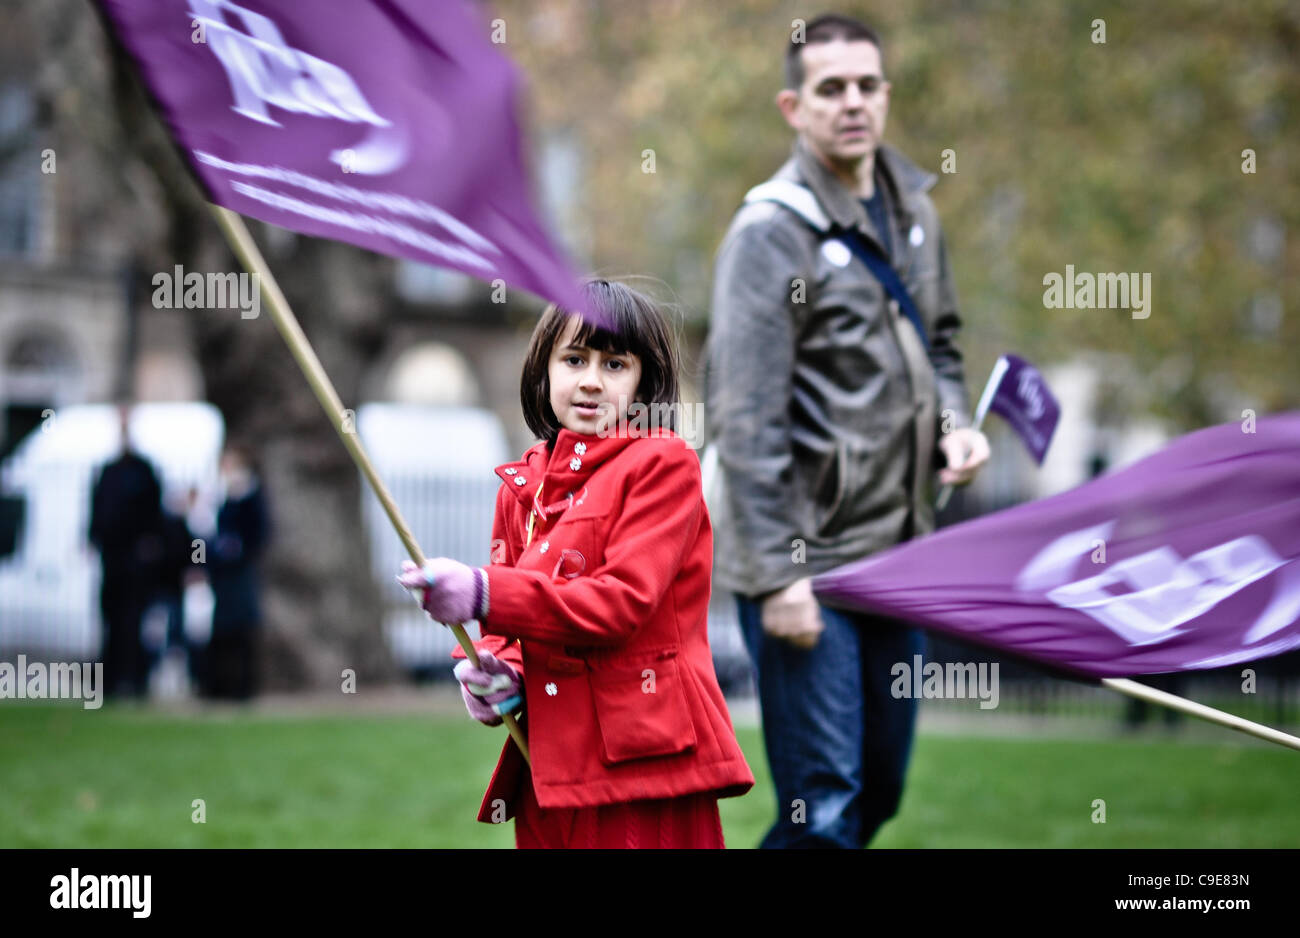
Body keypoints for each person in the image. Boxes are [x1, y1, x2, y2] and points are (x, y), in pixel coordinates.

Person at [704, 14, 990, 848]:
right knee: (823, 809)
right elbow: (744, 420)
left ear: (887, 96)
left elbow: (939, 345)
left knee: (876, 800)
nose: (853, 102)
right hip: (813, 569)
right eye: (831, 88)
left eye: (867, 85)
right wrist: (778, 578)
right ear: (794, 106)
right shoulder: (770, 233)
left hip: (902, 559)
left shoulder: (913, 215)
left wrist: (955, 425)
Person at [398, 279, 754, 849]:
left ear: (643, 381)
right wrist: (498, 674)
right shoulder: (520, 486)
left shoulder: (664, 465)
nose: (591, 379)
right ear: (544, 371)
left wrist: (484, 591)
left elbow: (621, 603)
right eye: (574, 359)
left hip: (643, 764)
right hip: (549, 761)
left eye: (615, 363)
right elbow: (511, 632)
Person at [89, 404, 165, 699]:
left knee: (133, 621)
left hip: (134, 560)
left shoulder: (143, 471)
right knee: (111, 620)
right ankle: (108, 681)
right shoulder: (108, 471)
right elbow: (98, 511)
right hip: (113, 557)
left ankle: (134, 679)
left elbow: (153, 515)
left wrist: (148, 545)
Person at [203, 443, 270, 701]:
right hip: (225, 576)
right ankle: (220, 685)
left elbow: (258, 535)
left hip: (241, 574)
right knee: (222, 629)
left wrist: (239, 550)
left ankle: (244, 686)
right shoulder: (226, 498)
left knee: (242, 629)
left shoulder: (251, 496)